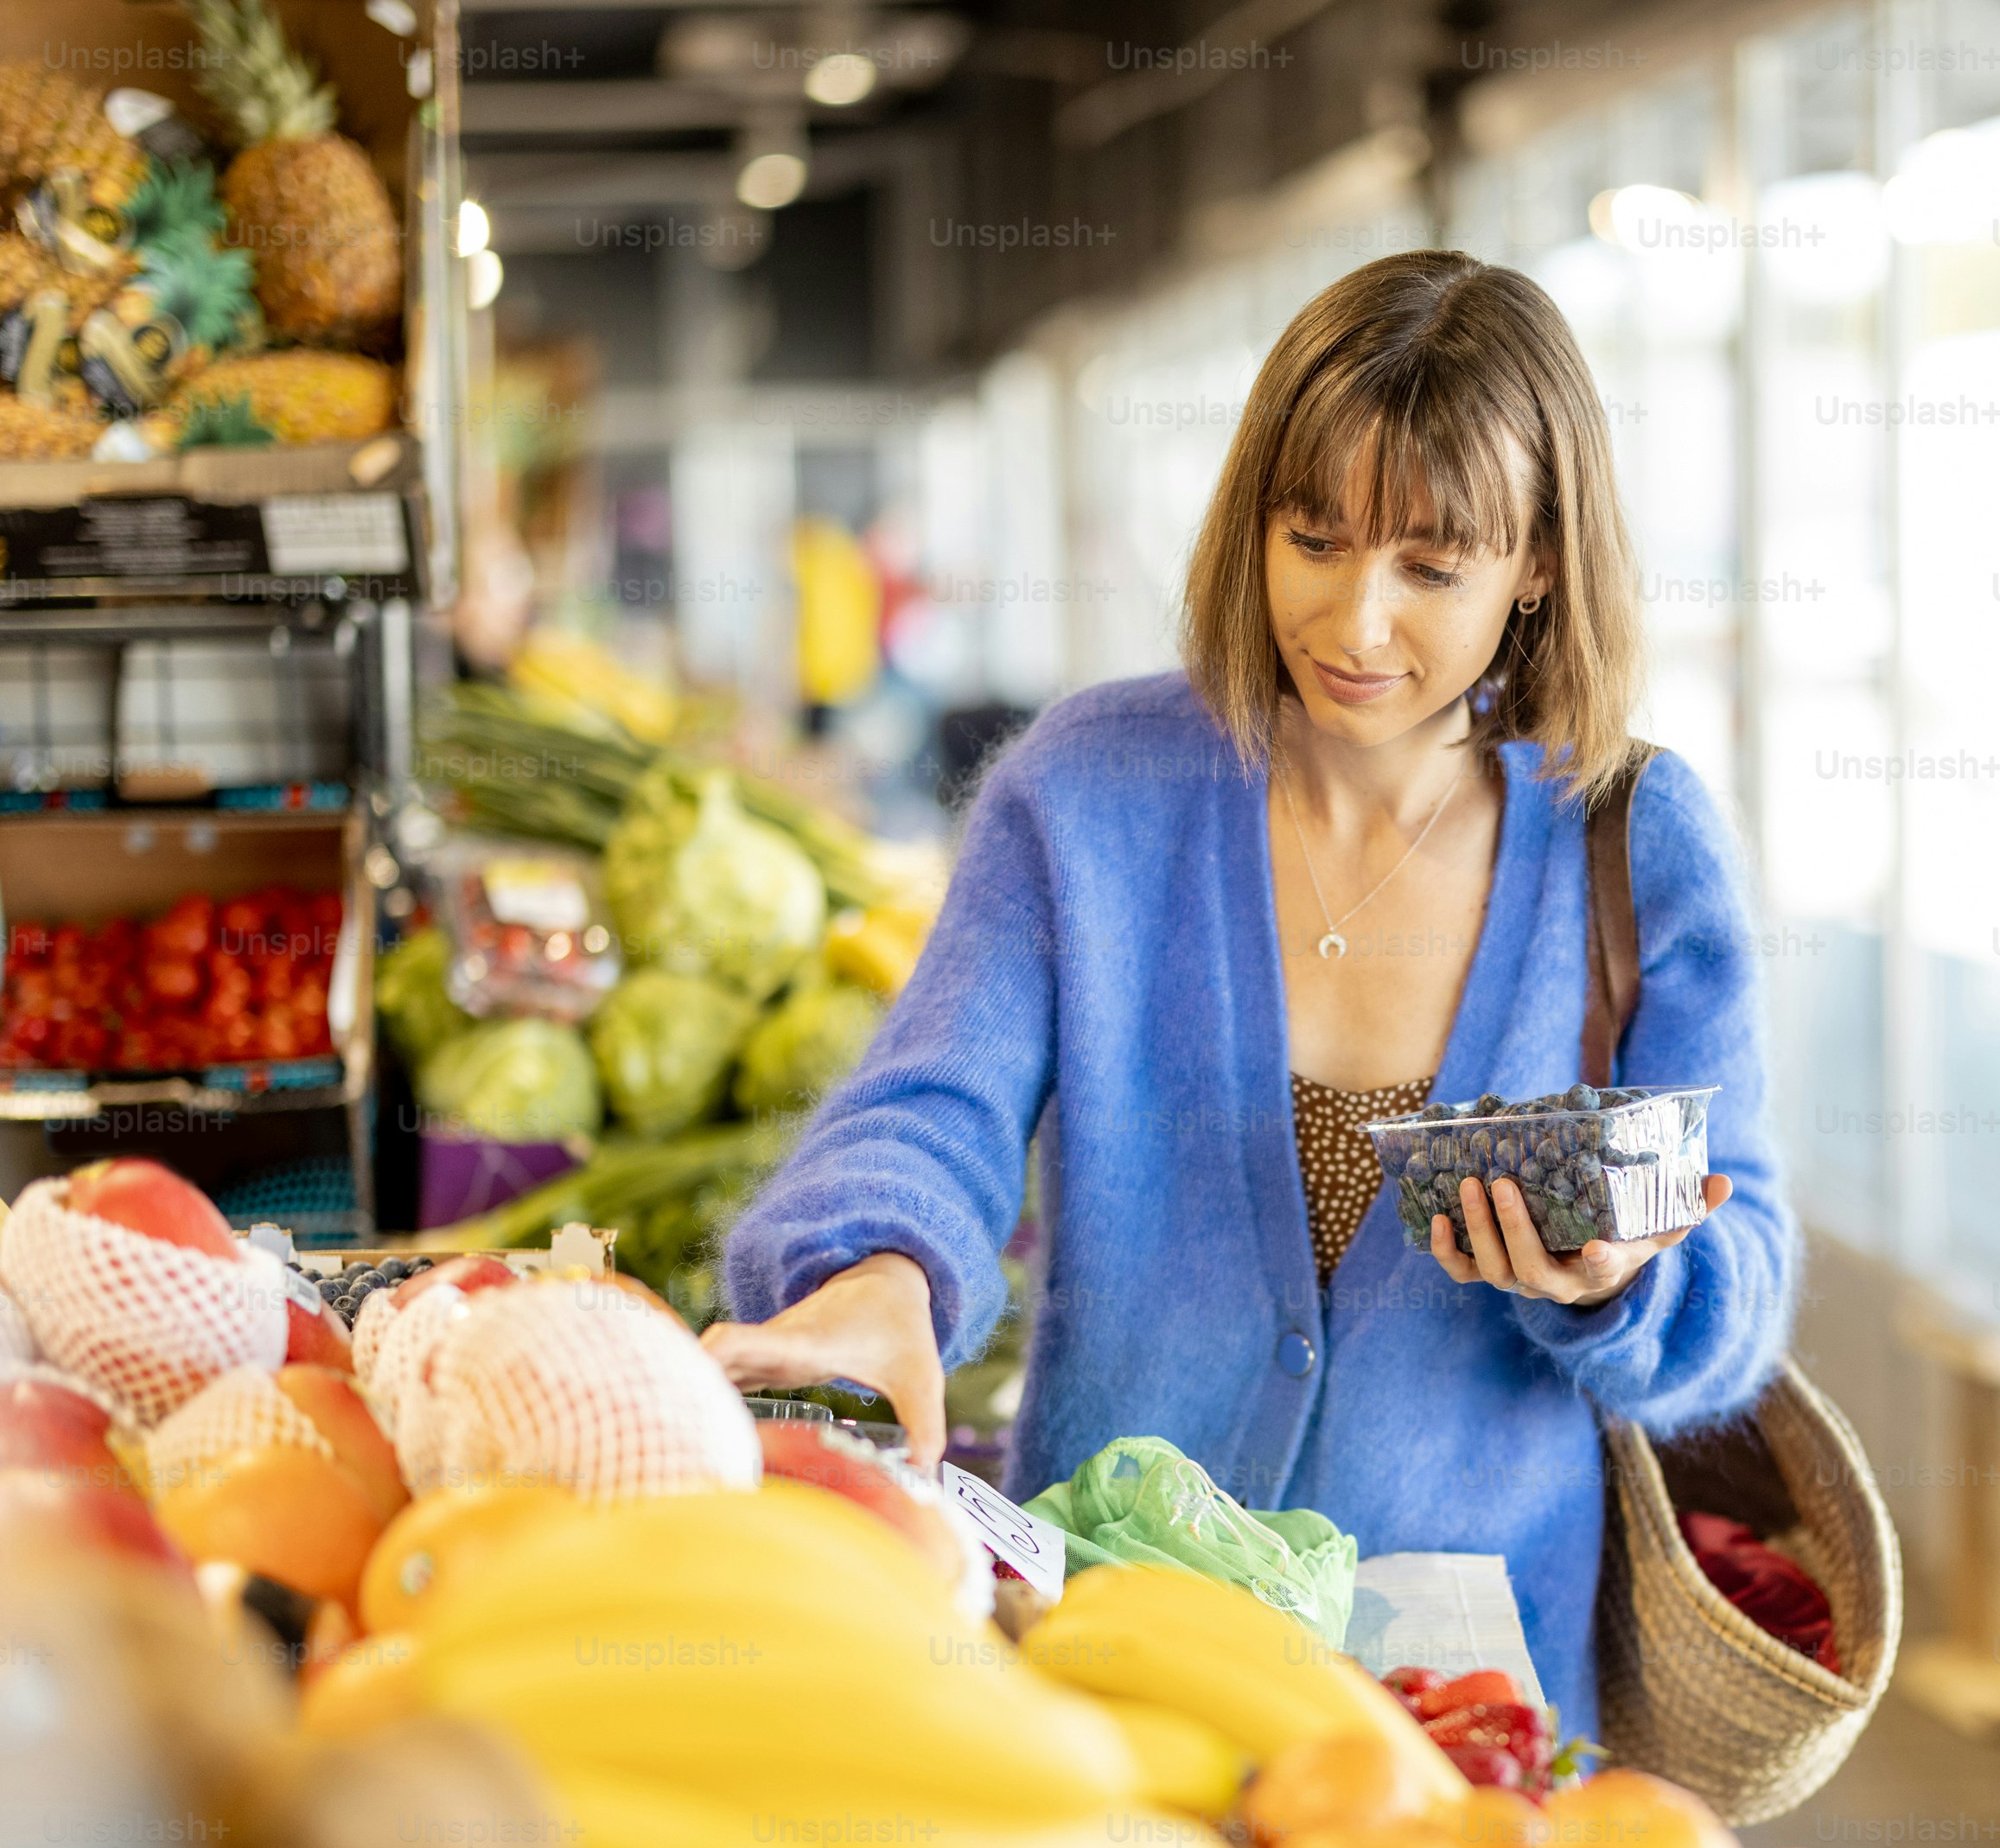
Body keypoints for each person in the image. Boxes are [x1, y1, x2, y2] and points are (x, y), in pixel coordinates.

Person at [703, 251, 1794, 1737]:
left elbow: (1743, 1273)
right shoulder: (1090, 795)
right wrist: (878, 1276)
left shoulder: (1633, 840)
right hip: (1105, 1656)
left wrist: (1622, 1283)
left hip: (1467, 1714)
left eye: (1432, 566)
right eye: (1315, 538)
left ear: (1538, 562)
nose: (1355, 623)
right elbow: (933, 1105)